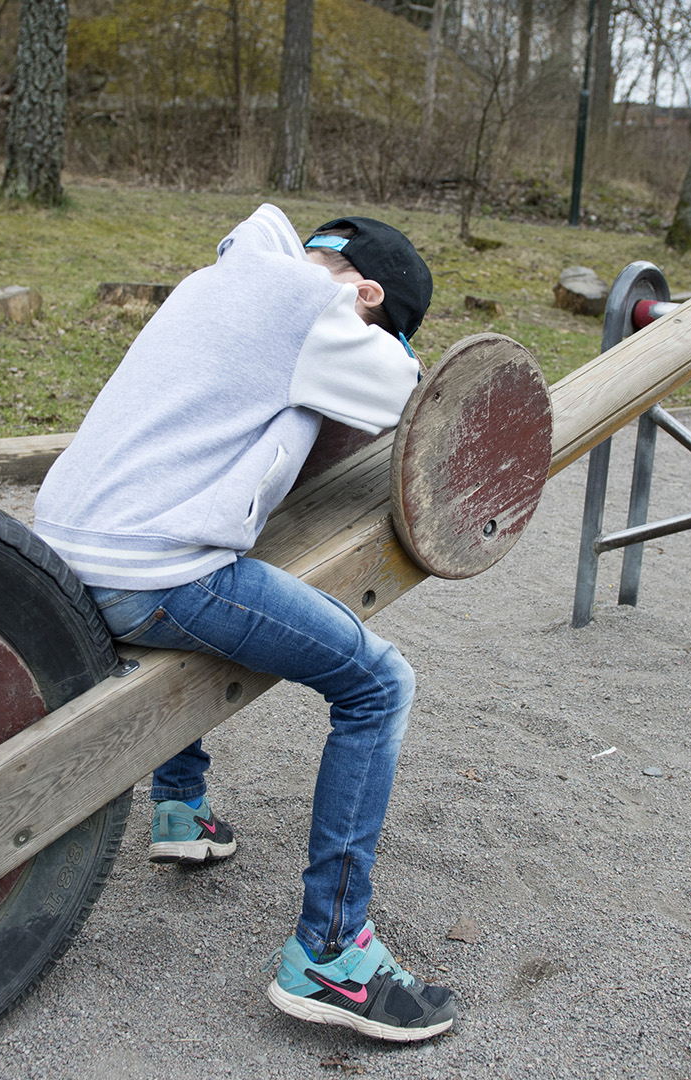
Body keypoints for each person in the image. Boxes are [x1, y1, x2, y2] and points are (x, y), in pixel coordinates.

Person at [31, 204, 459, 1042]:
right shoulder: (328, 314)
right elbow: (415, 402)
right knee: (379, 682)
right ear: (369, 294)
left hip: (61, 548)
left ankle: (180, 809)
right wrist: (394, 350)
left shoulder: (218, 280)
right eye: (389, 325)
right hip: (147, 568)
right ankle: (333, 955)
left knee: (215, 570)